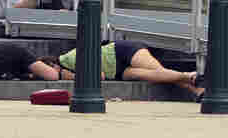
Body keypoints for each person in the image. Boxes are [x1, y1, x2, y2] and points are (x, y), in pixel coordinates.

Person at [38, 40, 204, 101]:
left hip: (121, 51)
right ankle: (196, 87)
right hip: (116, 70)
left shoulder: (70, 59)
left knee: (158, 70)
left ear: (53, 65)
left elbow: (98, 75)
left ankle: (192, 79)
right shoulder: (66, 67)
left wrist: (71, 76)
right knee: (153, 75)